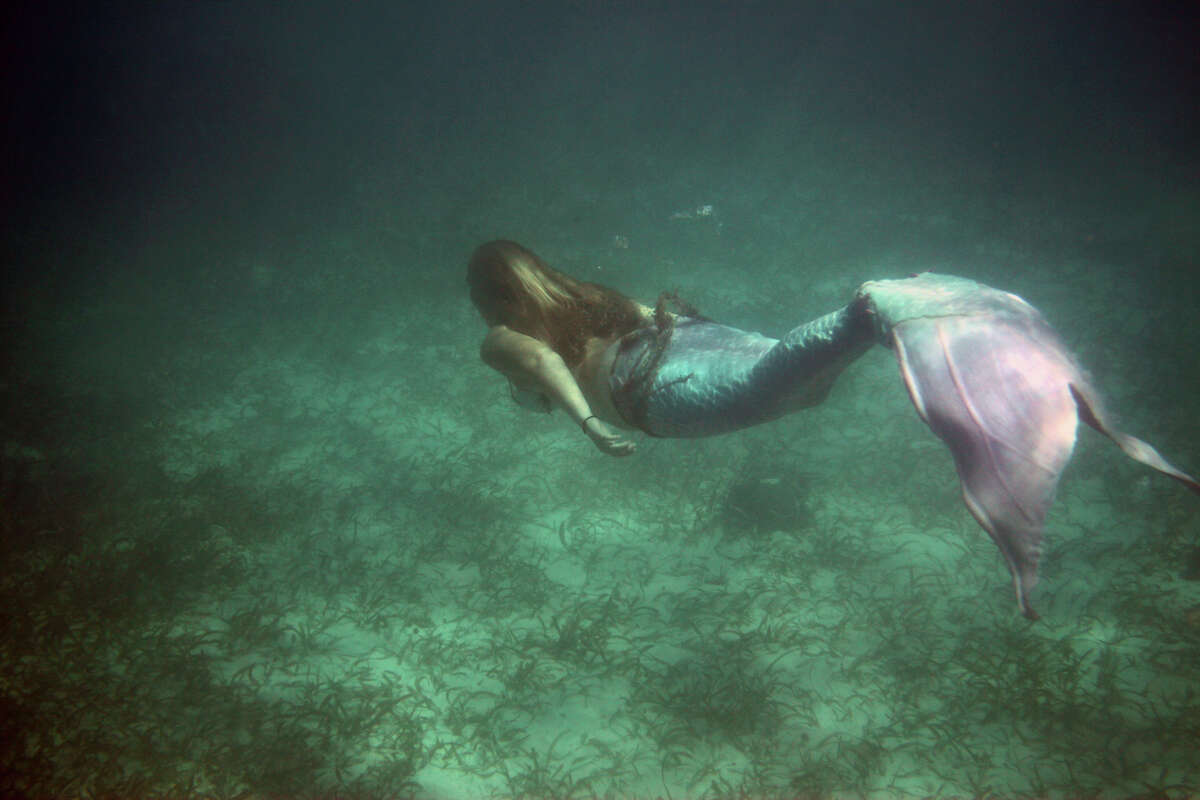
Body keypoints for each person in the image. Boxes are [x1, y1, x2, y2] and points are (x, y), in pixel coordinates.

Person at [467, 240, 1199, 618]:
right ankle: (878, 321)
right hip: (681, 342)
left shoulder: (502, 339)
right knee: (797, 385)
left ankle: (870, 307)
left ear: (490, 296)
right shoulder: (579, 296)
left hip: (649, 388)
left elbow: (537, 362)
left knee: (775, 386)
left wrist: (590, 421)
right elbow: (649, 315)